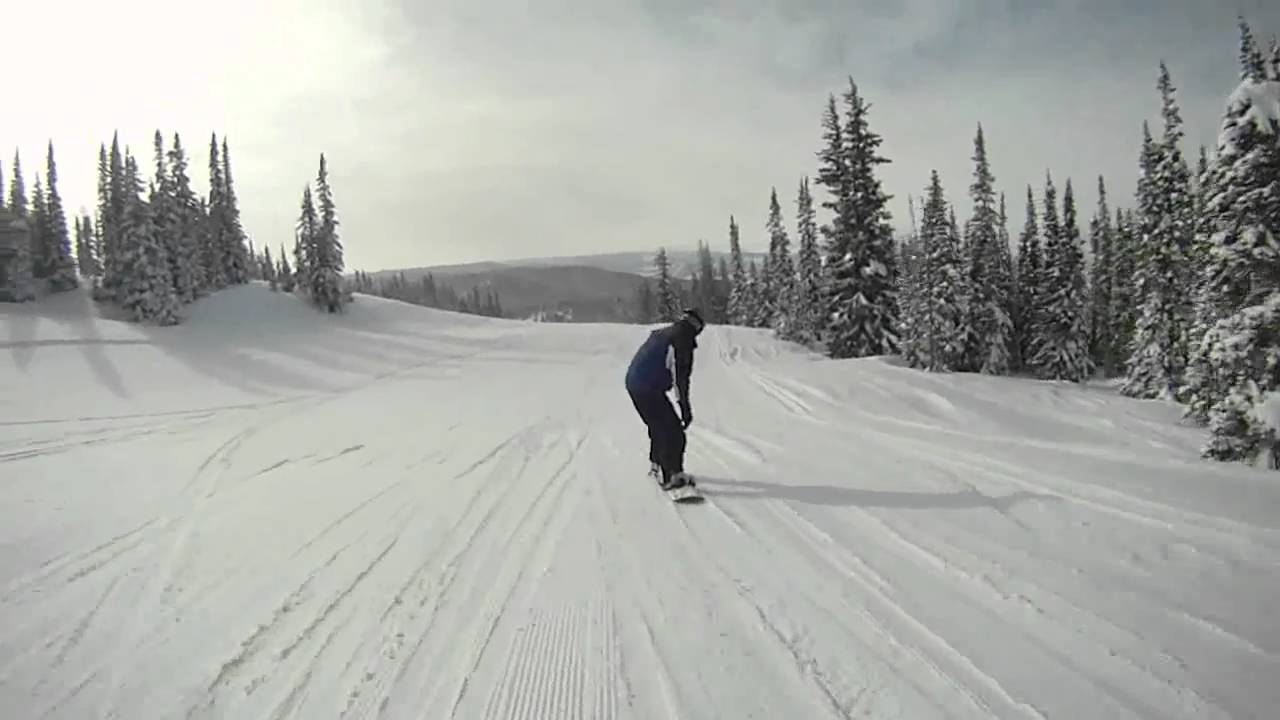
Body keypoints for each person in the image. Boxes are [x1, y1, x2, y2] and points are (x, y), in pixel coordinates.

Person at [625, 308, 705, 490]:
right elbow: (680, 378)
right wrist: (685, 408)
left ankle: (657, 464)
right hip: (647, 387)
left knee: (658, 425)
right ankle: (671, 475)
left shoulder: (667, 332)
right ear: (696, 326)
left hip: (635, 383)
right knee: (674, 431)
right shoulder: (682, 340)